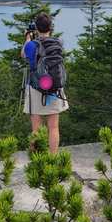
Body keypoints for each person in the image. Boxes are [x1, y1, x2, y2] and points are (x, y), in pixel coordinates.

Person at [21, 13, 68, 154]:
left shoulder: (31, 45)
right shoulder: (58, 43)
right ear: (50, 27)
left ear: (36, 28)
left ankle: (37, 159)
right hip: (54, 87)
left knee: (36, 128)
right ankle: (53, 158)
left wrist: (27, 38)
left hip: (36, 88)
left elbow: (23, 55)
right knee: (53, 127)